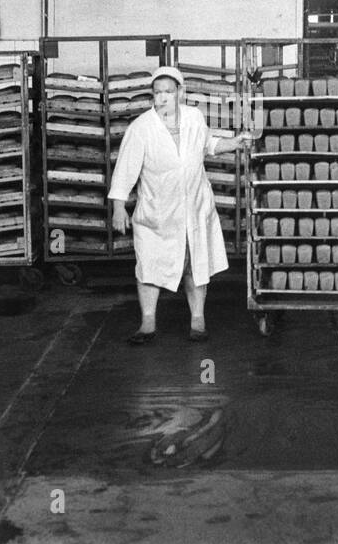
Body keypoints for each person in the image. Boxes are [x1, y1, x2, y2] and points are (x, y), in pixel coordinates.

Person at [108, 66, 256, 343]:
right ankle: (148, 322)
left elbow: (208, 144)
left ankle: (197, 320)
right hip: (158, 212)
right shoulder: (141, 127)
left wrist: (235, 142)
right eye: (157, 92)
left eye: (169, 91)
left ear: (180, 92)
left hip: (194, 208)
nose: (162, 97)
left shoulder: (194, 117)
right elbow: (125, 169)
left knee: (195, 265)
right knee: (150, 265)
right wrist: (119, 207)